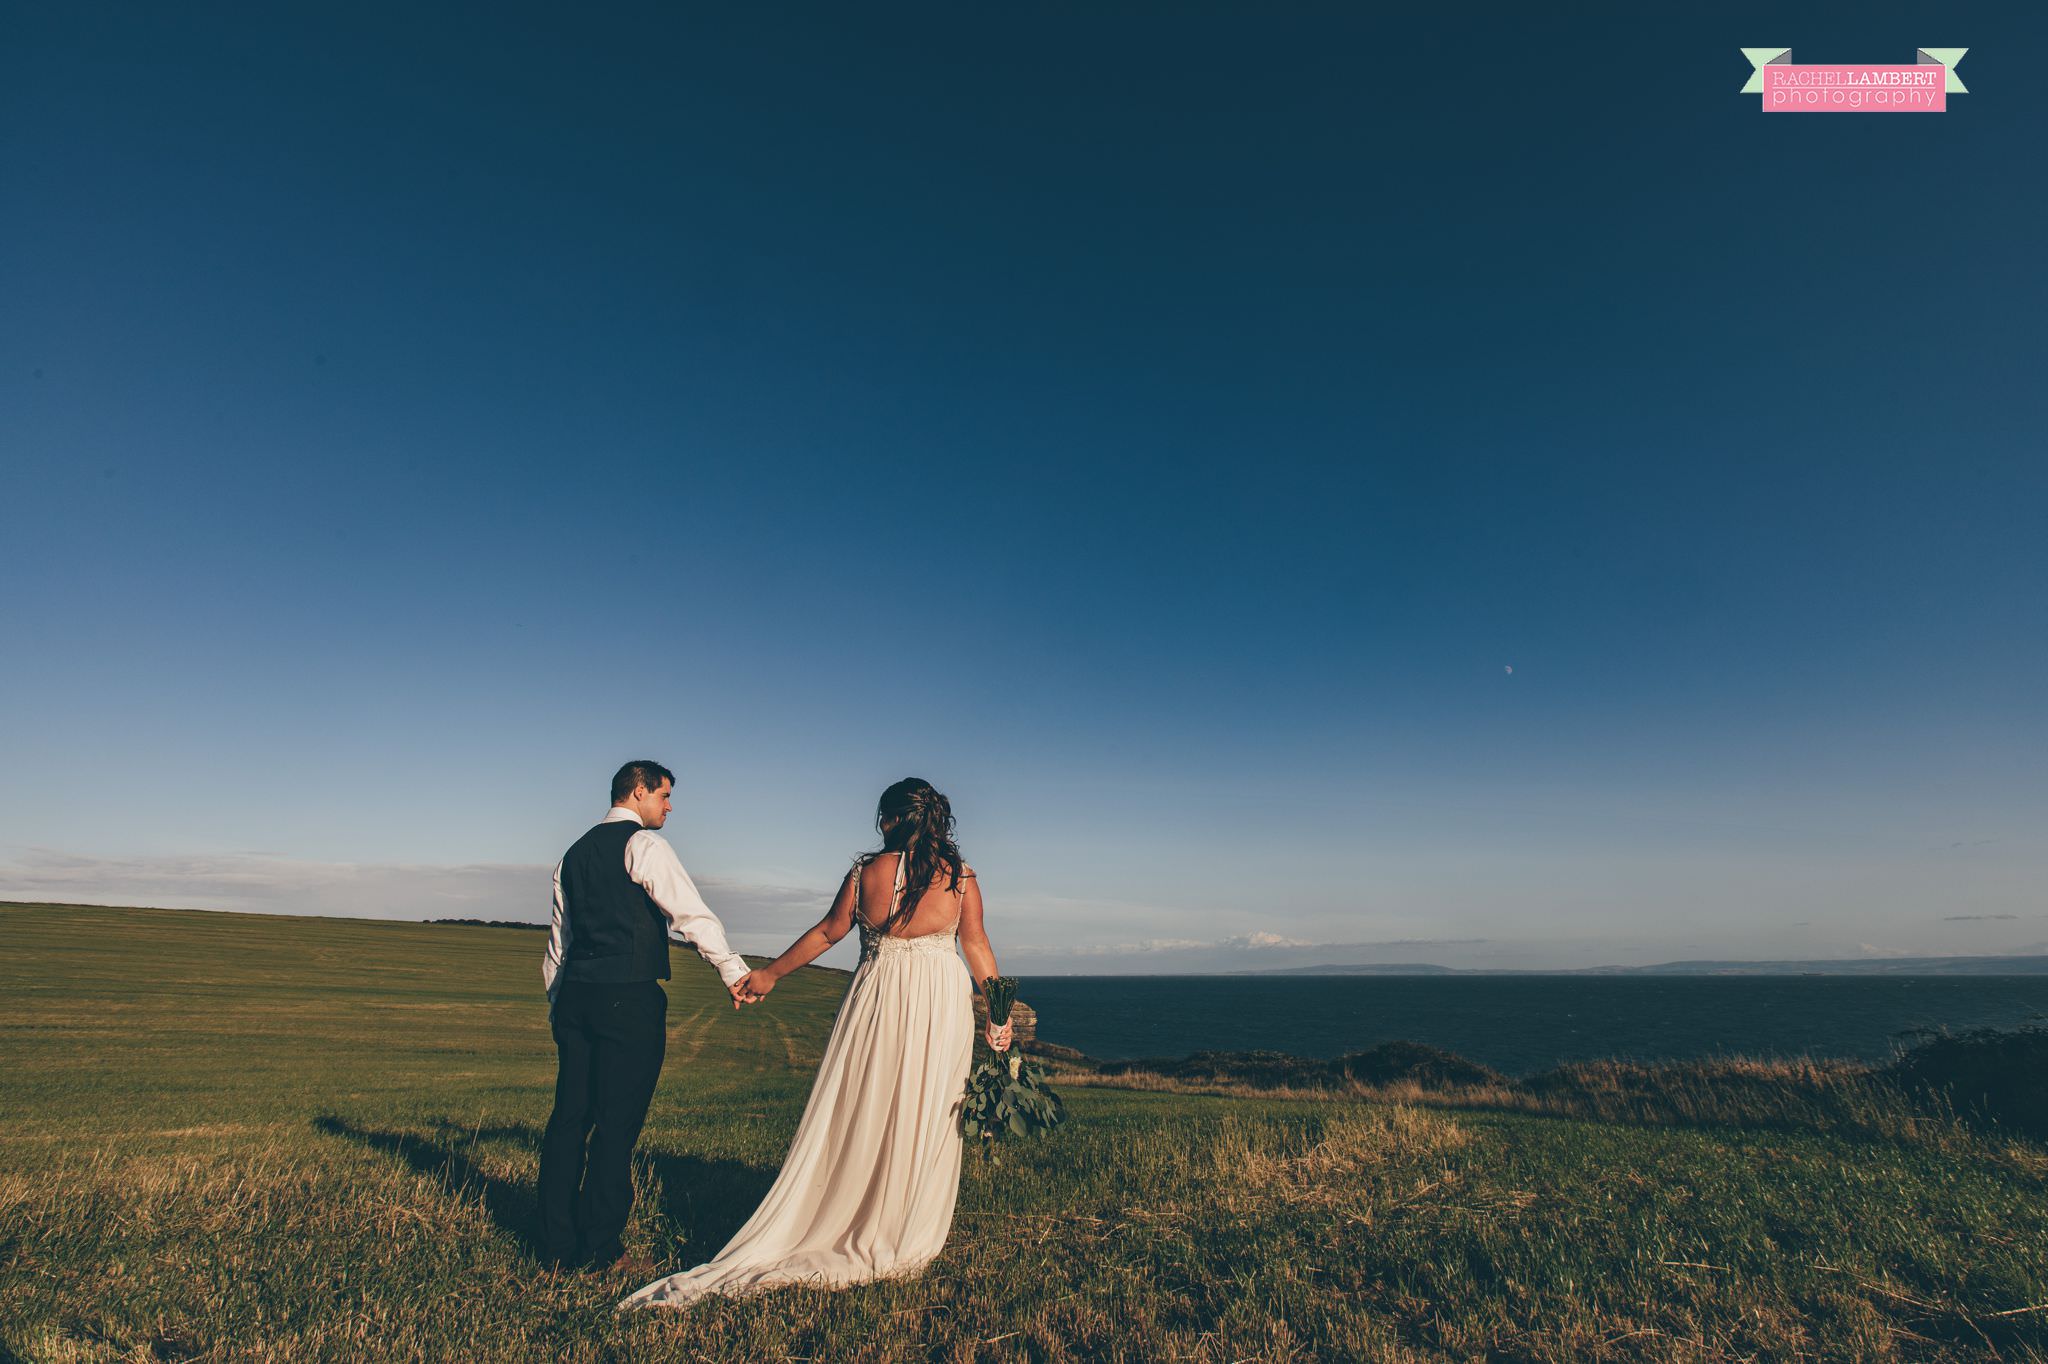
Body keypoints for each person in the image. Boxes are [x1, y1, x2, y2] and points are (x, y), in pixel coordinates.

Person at [621, 776, 1010, 1308]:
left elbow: (828, 933)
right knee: (925, 1110)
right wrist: (999, 1012)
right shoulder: (961, 878)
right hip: (941, 1005)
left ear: (893, 819)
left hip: (877, 1001)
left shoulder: (865, 874)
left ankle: (846, 1206)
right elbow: (976, 944)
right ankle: (902, 1222)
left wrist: (769, 975)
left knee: (864, 1105)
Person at [537, 760, 752, 1271]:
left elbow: (558, 945)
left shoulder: (572, 855)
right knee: (616, 1126)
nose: (669, 806)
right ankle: (601, 1249)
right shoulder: (646, 846)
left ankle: (554, 1245)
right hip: (627, 999)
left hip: (576, 1000)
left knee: (568, 1120)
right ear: (639, 792)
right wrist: (732, 970)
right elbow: (690, 913)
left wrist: (558, 1007)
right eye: (665, 796)